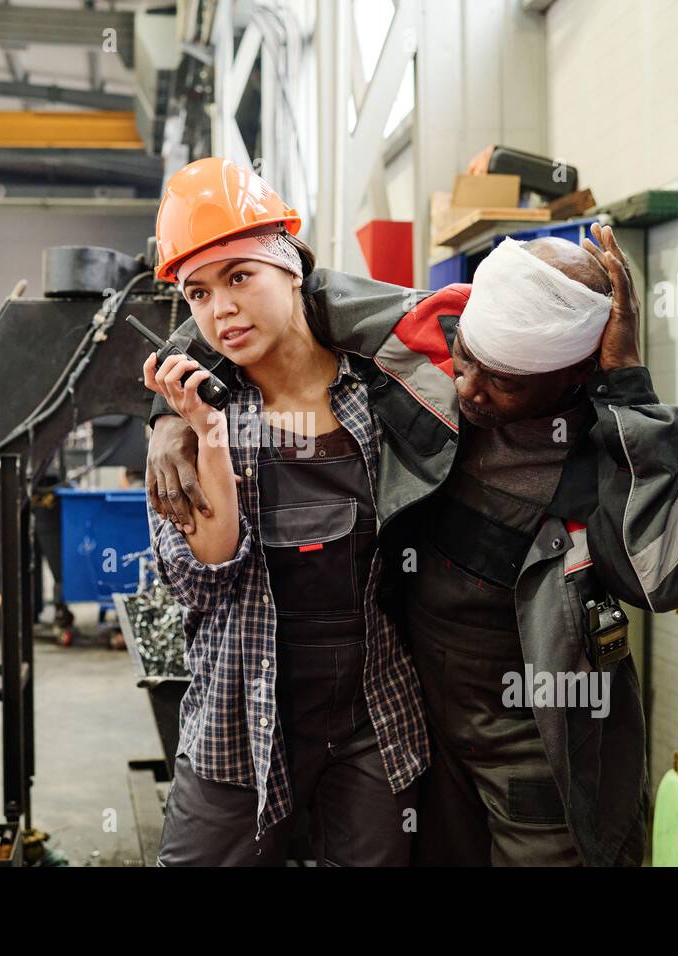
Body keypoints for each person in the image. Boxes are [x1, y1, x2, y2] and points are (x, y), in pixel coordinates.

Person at [147, 221, 678, 866]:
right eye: (469, 357)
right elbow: (273, 292)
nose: (468, 387)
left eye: (502, 379)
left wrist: (627, 390)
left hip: (538, 744)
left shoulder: (627, 444)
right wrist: (170, 414)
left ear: (572, 374)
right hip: (422, 729)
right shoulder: (432, 338)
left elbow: (665, 577)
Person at [142, 156, 429, 866]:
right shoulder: (192, 422)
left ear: (292, 268)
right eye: (199, 293)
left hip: (374, 715)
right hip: (236, 719)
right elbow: (201, 580)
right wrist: (206, 438)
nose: (222, 309)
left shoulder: (381, 397)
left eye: (240, 277)